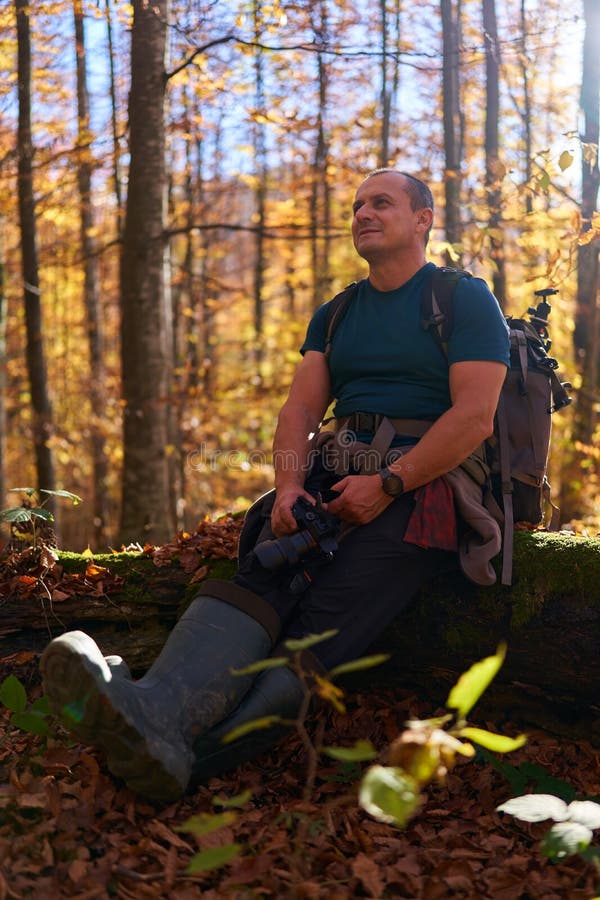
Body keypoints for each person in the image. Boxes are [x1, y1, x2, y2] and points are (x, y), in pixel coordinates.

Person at [40, 169, 510, 803]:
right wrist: (289, 489)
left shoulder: (463, 299)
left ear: (423, 219)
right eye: (356, 206)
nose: (363, 214)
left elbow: (474, 418)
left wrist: (390, 484)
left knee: (325, 616)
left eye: (381, 203)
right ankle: (152, 710)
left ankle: (188, 756)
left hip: (425, 491)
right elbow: (298, 413)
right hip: (332, 470)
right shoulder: (338, 312)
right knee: (262, 570)